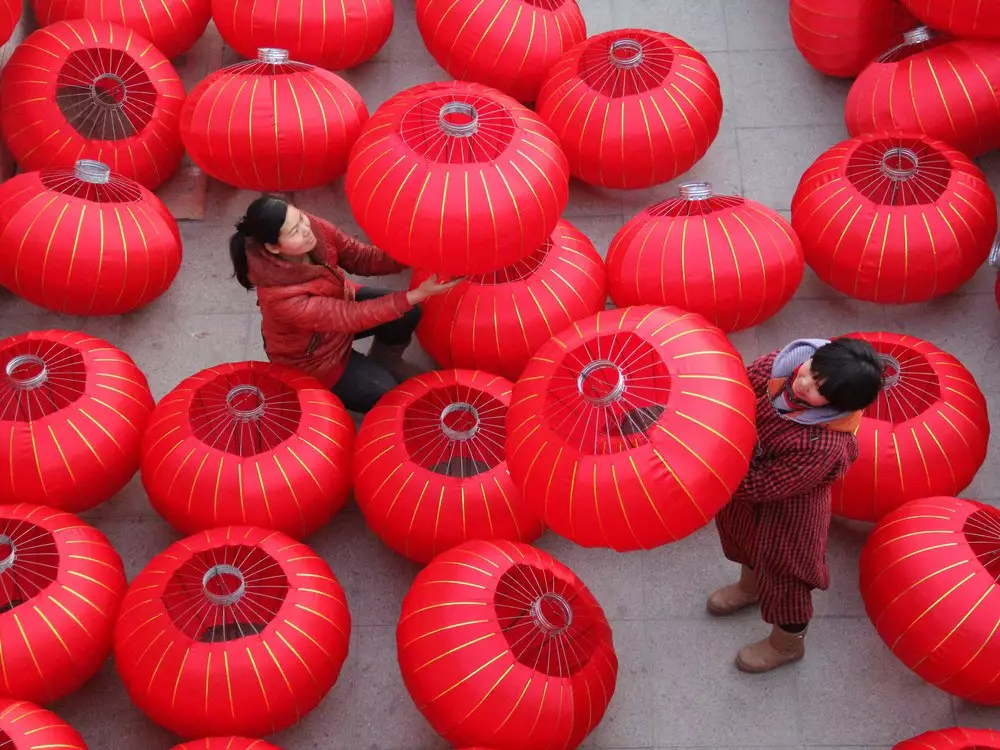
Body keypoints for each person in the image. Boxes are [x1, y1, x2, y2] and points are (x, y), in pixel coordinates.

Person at [708, 337, 883, 673]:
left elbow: (766, 484)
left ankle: (787, 644)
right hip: (742, 483)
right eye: (812, 370)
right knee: (741, 537)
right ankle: (751, 587)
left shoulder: (823, 444)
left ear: (837, 404)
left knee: (786, 573)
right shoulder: (779, 367)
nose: (803, 382)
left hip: (790, 509)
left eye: (819, 388)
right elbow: (735, 388)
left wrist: (713, 477)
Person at [229, 196, 460, 413]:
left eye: (300, 218)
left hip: (342, 302)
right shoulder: (280, 298)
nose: (306, 229)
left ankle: (386, 360)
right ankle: (333, 394)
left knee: (407, 313)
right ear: (273, 248)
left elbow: (362, 258)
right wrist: (417, 294)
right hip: (317, 358)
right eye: (294, 231)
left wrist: (414, 253)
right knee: (388, 395)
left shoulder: (313, 229)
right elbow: (350, 316)